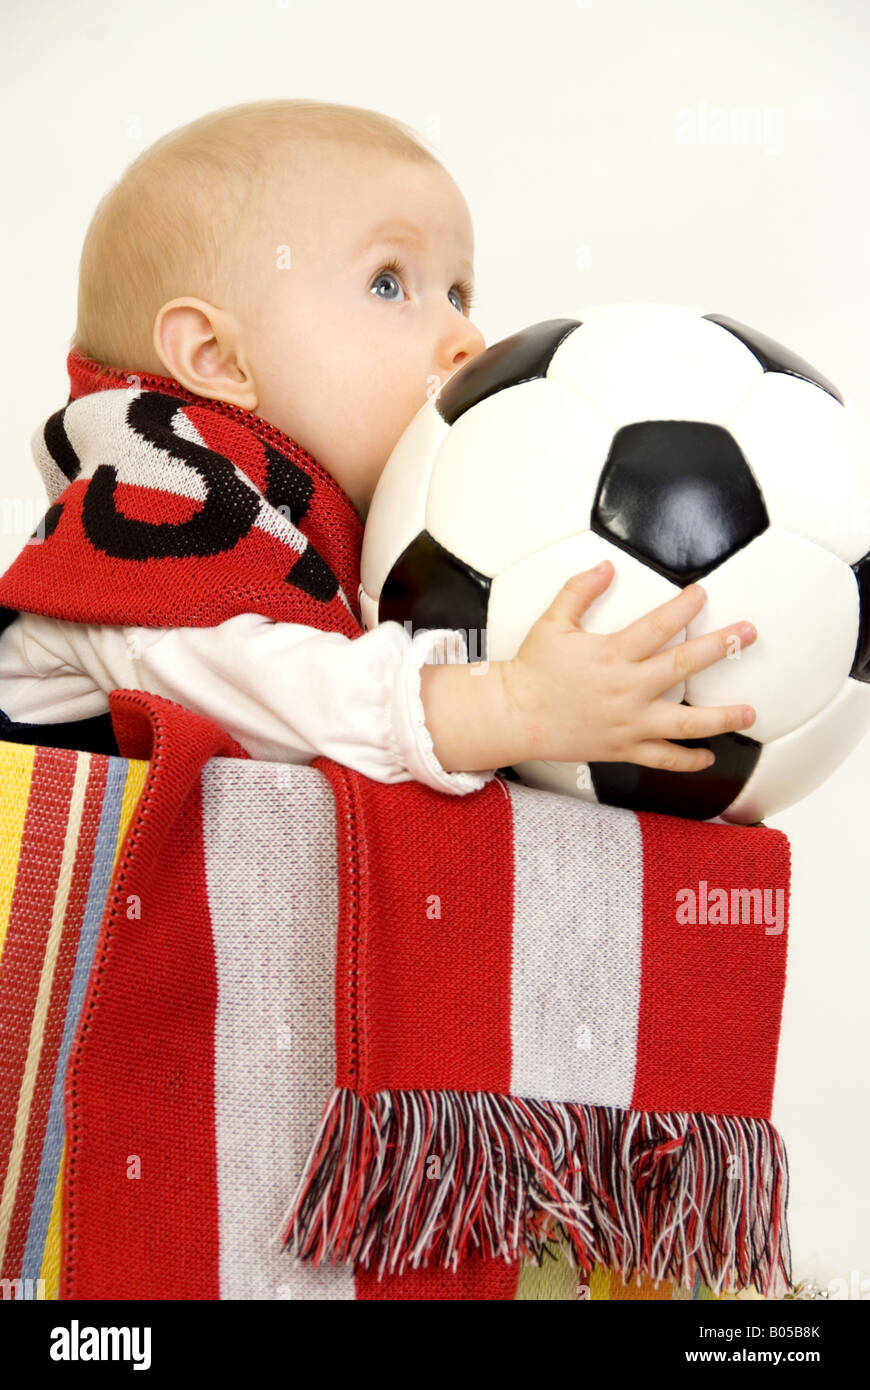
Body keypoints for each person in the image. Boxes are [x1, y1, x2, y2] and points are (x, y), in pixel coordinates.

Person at [0, 99, 757, 791]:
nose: (467, 337)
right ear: (216, 358)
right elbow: (287, 696)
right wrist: (517, 704)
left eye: (461, 295)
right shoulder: (147, 526)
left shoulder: (307, 520)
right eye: (389, 283)